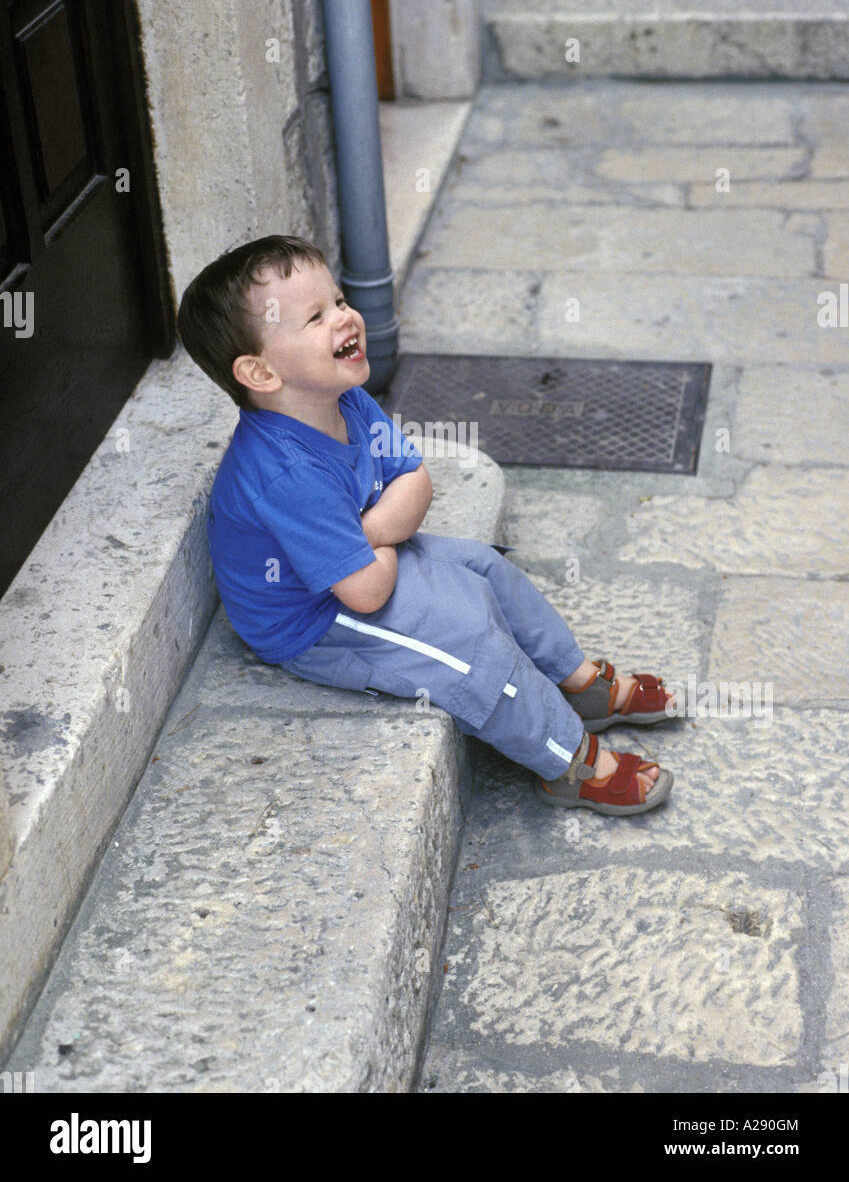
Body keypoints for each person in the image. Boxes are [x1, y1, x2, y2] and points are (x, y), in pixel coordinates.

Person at [177, 235, 676, 816]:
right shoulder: (285, 475)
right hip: (314, 616)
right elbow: (366, 592)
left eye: (339, 300)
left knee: (485, 567)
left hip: (361, 562)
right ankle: (568, 761)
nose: (345, 319)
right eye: (316, 317)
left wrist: (364, 535)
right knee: (469, 646)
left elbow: (416, 482)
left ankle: (579, 681)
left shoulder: (345, 398)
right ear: (259, 372)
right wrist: (377, 533)